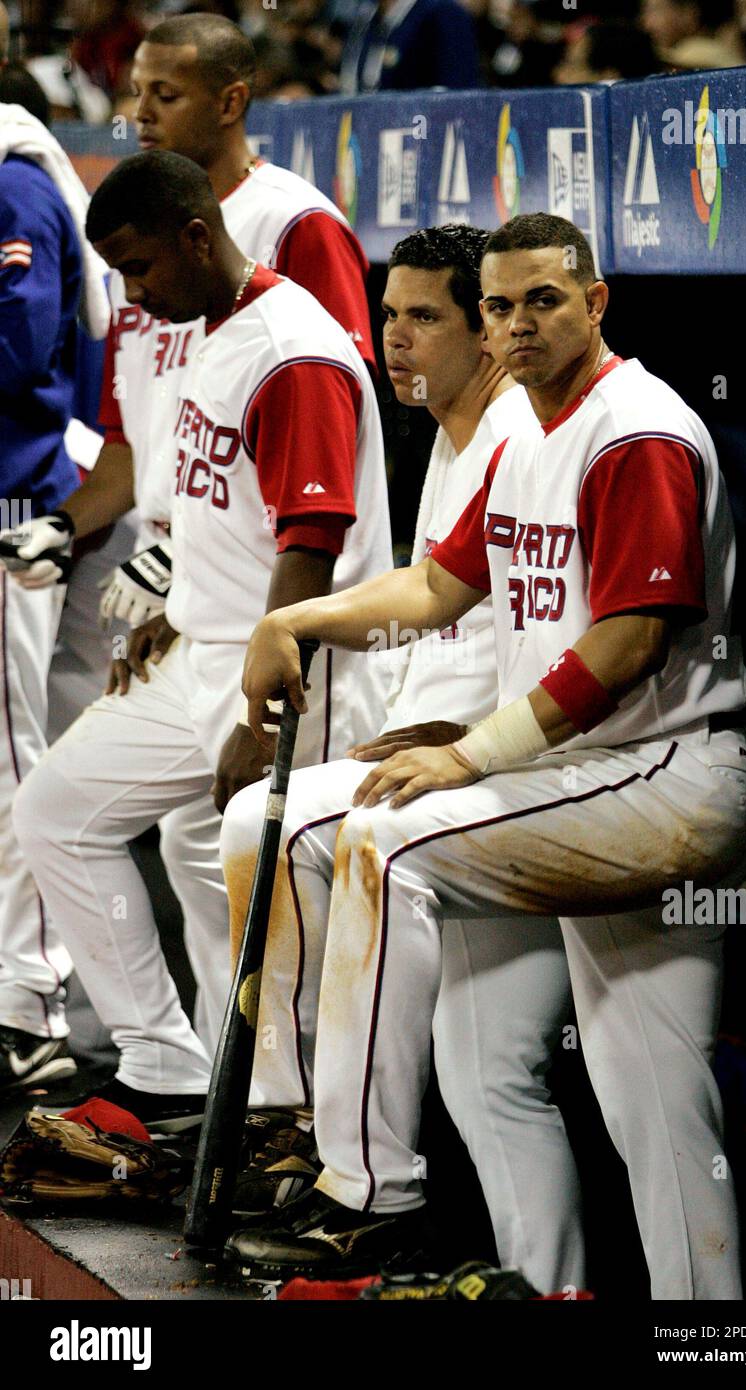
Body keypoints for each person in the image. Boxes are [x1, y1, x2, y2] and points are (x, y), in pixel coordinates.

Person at [224, 212, 746, 1299]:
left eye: (544, 301)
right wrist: (299, 621)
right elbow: (435, 586)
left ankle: (362, 1188)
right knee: (644, 1097)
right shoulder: (533, 428)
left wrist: (472, 754)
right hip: (600, 779)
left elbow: (628, 642)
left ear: (595, 303)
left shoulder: (634, 431)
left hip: (665, 771)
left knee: (381, 839)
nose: (517, 324)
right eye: (501, 306)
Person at [2, 12, 380, 1063]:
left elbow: (319, 468)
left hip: (291, 633)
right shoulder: (186, 303)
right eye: (134, 94)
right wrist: (95, 541)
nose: (138, 115)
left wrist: (255, 665)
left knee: (276, 890)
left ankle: (296, 1124)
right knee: (86, 818)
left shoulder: (289, 249)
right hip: (198, 612)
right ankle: (181, 1071)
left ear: (229, 97)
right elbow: (143, 451)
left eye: (163, 94)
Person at [221, 223, 585, 1293]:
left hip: (531, 780)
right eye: (388, 314)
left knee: (283, 829)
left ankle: (351, 1172)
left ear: (488, 331)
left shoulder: (526, 432)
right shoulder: (445, 435)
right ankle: (306, 1133)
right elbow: (432, 608)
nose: (395, 339)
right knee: (494, 1084)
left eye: (424, 317)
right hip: (463, 781)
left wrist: (469, 740)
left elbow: (584, 631)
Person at [0, 0, 112, 1094]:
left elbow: (23, 349)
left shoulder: (11, 175)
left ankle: (28, 1007)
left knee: (18, 759)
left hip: (16, 493)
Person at [340, 0, 481, 93]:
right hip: (362, 131)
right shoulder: (362, 21)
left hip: (415, 131)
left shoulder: (443, 14)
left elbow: (459, 96)